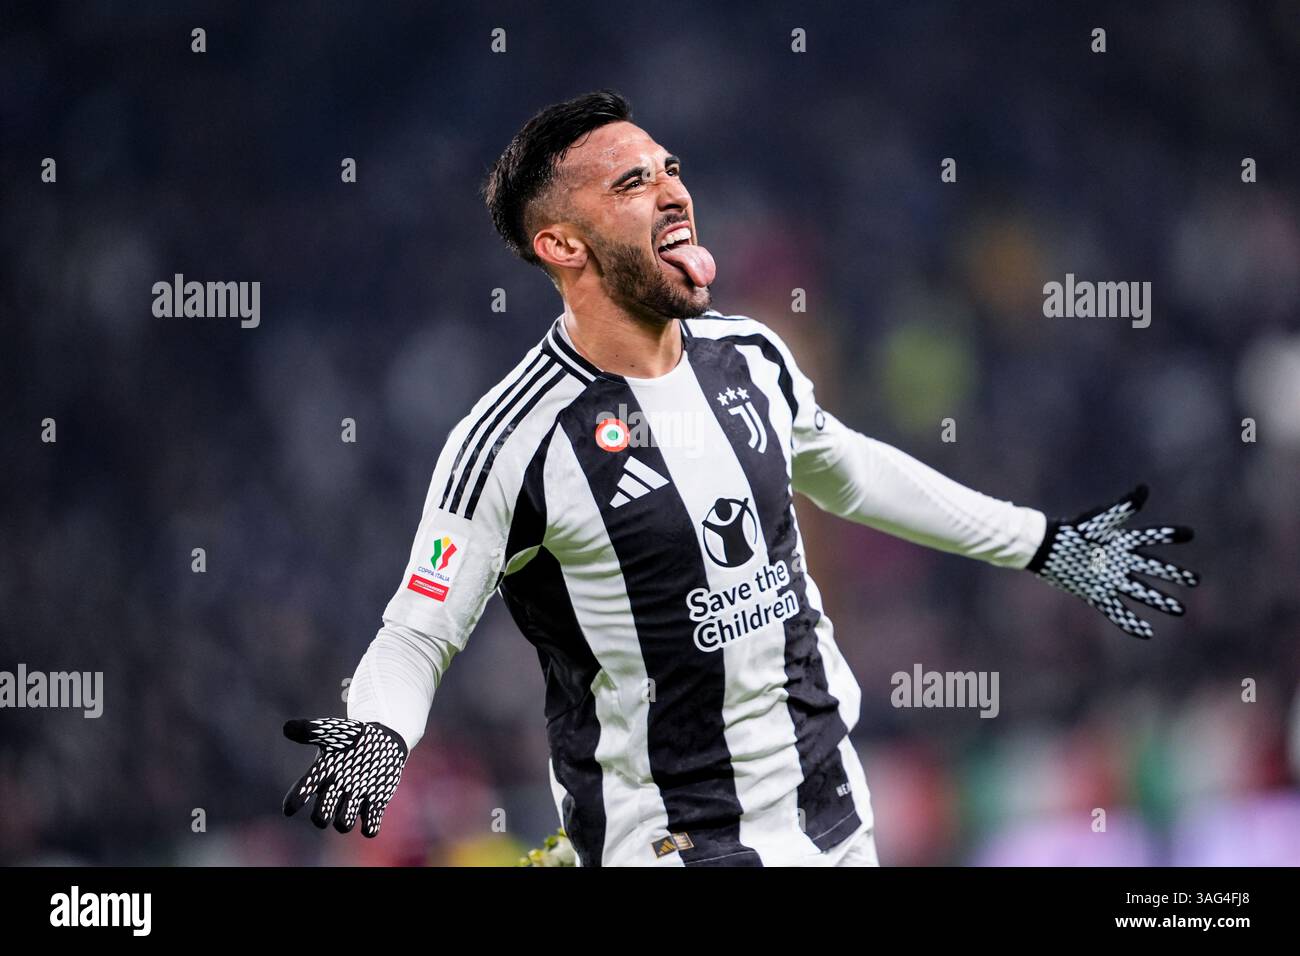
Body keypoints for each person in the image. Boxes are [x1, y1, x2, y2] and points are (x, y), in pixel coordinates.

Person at [282, 89, 1198, 867]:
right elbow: (418, 629)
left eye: (670, 168)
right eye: (633, 182)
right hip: (671, 843)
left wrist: (1038, 541)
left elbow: (844, 470)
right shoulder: (510, 439)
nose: (673, 191)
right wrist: (376, 736)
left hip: (833, 816)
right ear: (563, 246)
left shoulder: (751, 357)